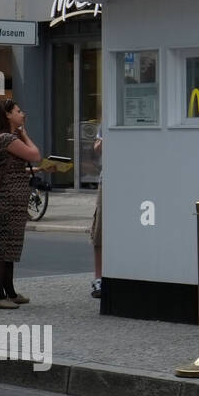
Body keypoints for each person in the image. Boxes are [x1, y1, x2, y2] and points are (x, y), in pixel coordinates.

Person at [0, 99, 41, 309]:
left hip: (12, 197)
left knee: (10, 248)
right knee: (3, 247)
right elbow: (35, 154)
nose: (22, 113)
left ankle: (10, 292)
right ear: (8, 115)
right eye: (18, 111)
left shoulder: (1, 138)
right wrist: (24, 133)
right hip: (10, 199)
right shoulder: (6, 138)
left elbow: (13, 168)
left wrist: (43, 171)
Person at [91, 126, 104, 298]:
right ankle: (98, 278)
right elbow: (97, 147)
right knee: (100, 228)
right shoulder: (106, 122)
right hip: (107, 177)